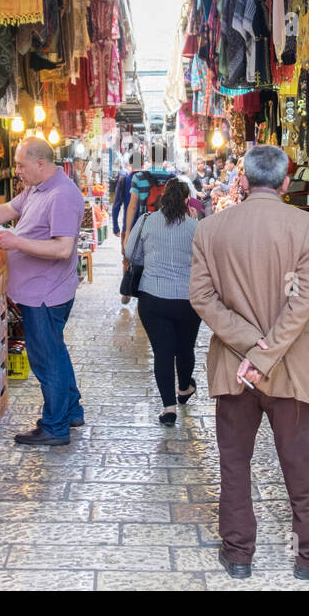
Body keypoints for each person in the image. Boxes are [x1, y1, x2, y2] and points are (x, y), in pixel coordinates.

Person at [189, 144, 309, 581]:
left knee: (234, 463)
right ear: (287, 182)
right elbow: (301, 303)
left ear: (245, 181)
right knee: (302, 463)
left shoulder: (211, 229)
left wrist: (249, 348)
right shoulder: (305, 226)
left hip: (234, 370)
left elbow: (201, 298)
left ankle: (238, 555)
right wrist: (266, 352)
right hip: (287, 368)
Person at [0, 136, 85, 446]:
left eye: (21, 165)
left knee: (46, 358)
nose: (18, 171)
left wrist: (15, 242)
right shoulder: (37, 189)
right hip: (37, 291)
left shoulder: (62, 195)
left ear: (40, 163)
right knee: (55, 351)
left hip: (46, 293)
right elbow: (7, 210)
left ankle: (55, 426)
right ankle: (71, 410)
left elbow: (63, 249)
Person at [125, 179, 202, 425]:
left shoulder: (147, 220)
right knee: (185, 348)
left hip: (152, 298)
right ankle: (184, 389)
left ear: (162, 196)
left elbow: (130, 253)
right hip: (187, 300)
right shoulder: (194, 227)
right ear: (186, 200)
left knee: (162, 352)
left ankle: (169, 408)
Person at [121, 144, 171, 304]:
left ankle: (144, 295)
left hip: (144, 226)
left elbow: (132, 206)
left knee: (143, 262)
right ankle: (159, 293)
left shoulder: (139, 178)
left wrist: (128, 232)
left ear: (150, 156)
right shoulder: (172, 178)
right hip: (166, 227)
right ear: (165, 158)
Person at [110, 165, 134, 236]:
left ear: (130, 164)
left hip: (127, 229)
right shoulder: (148, 179)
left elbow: (116, 206)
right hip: (145, 230)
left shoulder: (124, 180)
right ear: (142, 164)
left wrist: (115, 227)